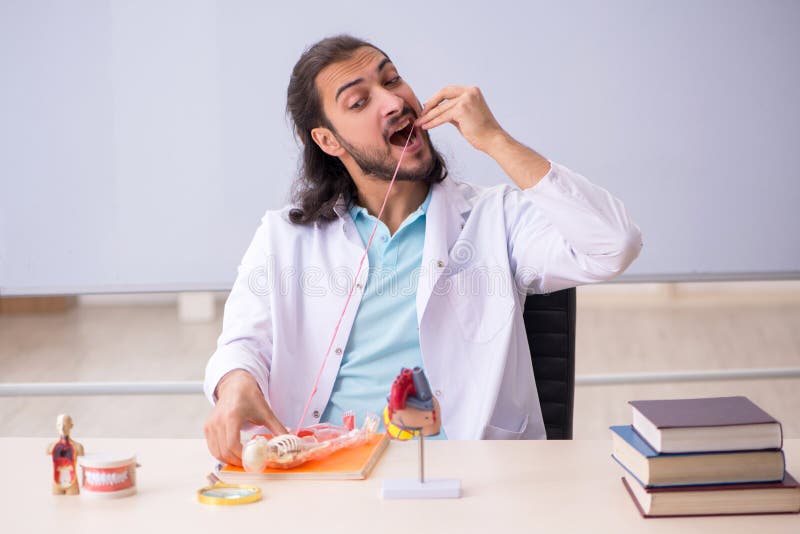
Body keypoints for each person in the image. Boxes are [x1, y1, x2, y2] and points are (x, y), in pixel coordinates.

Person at [204, 35, 643, 466]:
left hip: (467, 477)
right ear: (328, 141)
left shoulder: (496, 218)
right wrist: (235, 382)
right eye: (359, 101)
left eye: (392, 79)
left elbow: (613, 245)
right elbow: (243, 343)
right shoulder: (284, 235)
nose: (393, 102)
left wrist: (495, 140)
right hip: (327, 472)